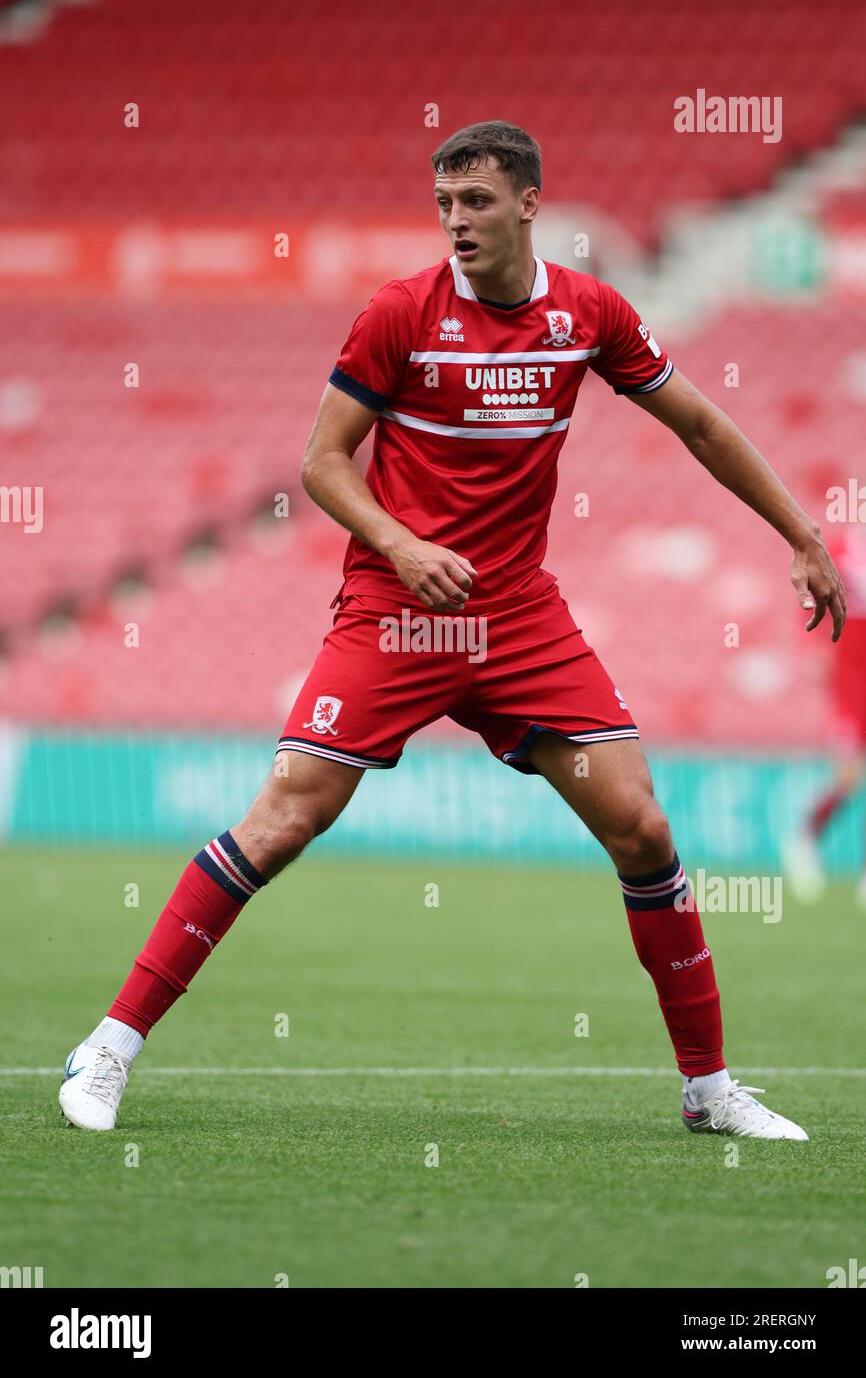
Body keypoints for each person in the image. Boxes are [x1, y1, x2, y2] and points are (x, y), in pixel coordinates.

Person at [59, 121, 846, 1138]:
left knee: (643, 827)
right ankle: (109, 1046)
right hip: (399, 611)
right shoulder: (398, 315)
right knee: (285, 817)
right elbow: (322, 462)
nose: (455, 222)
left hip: (517, 616)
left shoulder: (588, 311)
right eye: (443, 205)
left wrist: (800, 535)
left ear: (526, 204)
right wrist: (399, 545)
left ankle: (707, 1092)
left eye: (474, 202)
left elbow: (695, 420)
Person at [783, 525, 866, 906]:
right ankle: (805, 838)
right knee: (848, 777)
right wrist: (812, 645)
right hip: (850, 680)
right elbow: (816, 594)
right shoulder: (844, 548)